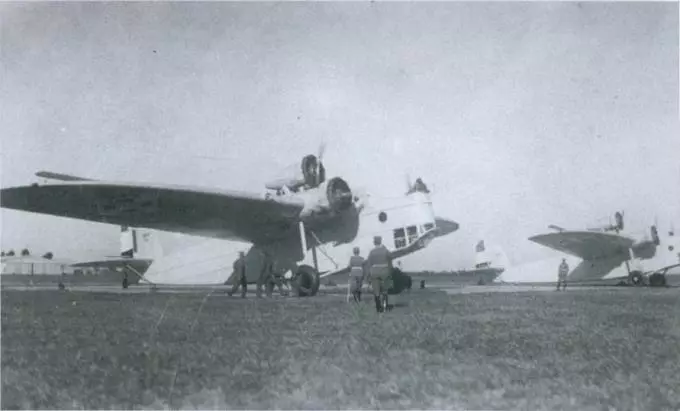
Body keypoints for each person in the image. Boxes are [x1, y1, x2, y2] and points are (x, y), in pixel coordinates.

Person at [367, 236, 393, 313]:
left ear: (374, 242)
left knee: (376, 290)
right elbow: (390, 259)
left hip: (374, 272)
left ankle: (378, 308)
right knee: (385, 289)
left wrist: (368, 276)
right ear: (381, 241)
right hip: (384, 271)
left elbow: (369, 264)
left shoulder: (371, 252)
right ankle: (386, 306)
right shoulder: (385, 250)